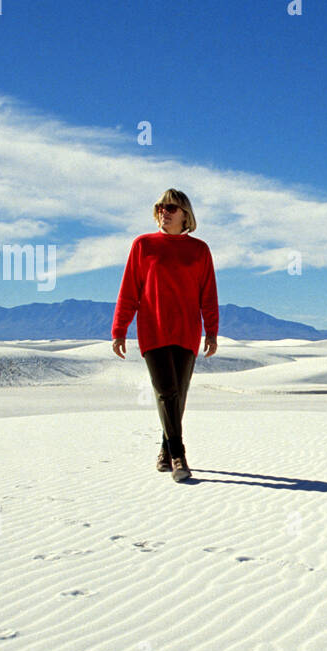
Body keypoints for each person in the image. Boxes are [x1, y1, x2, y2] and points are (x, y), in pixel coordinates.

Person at [111, 188, 219, 482]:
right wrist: (119, 330)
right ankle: (178, 455)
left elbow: (208, 294)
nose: (164, 212)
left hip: (186, 332)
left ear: (186, 215)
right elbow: (129, 291)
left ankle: (163, 448)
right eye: (160, 207)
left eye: (171, 208)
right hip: (153, 331)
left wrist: (212, 331)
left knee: (178, 396)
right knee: (166, 391)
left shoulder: (199, 250)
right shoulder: (143, 245)